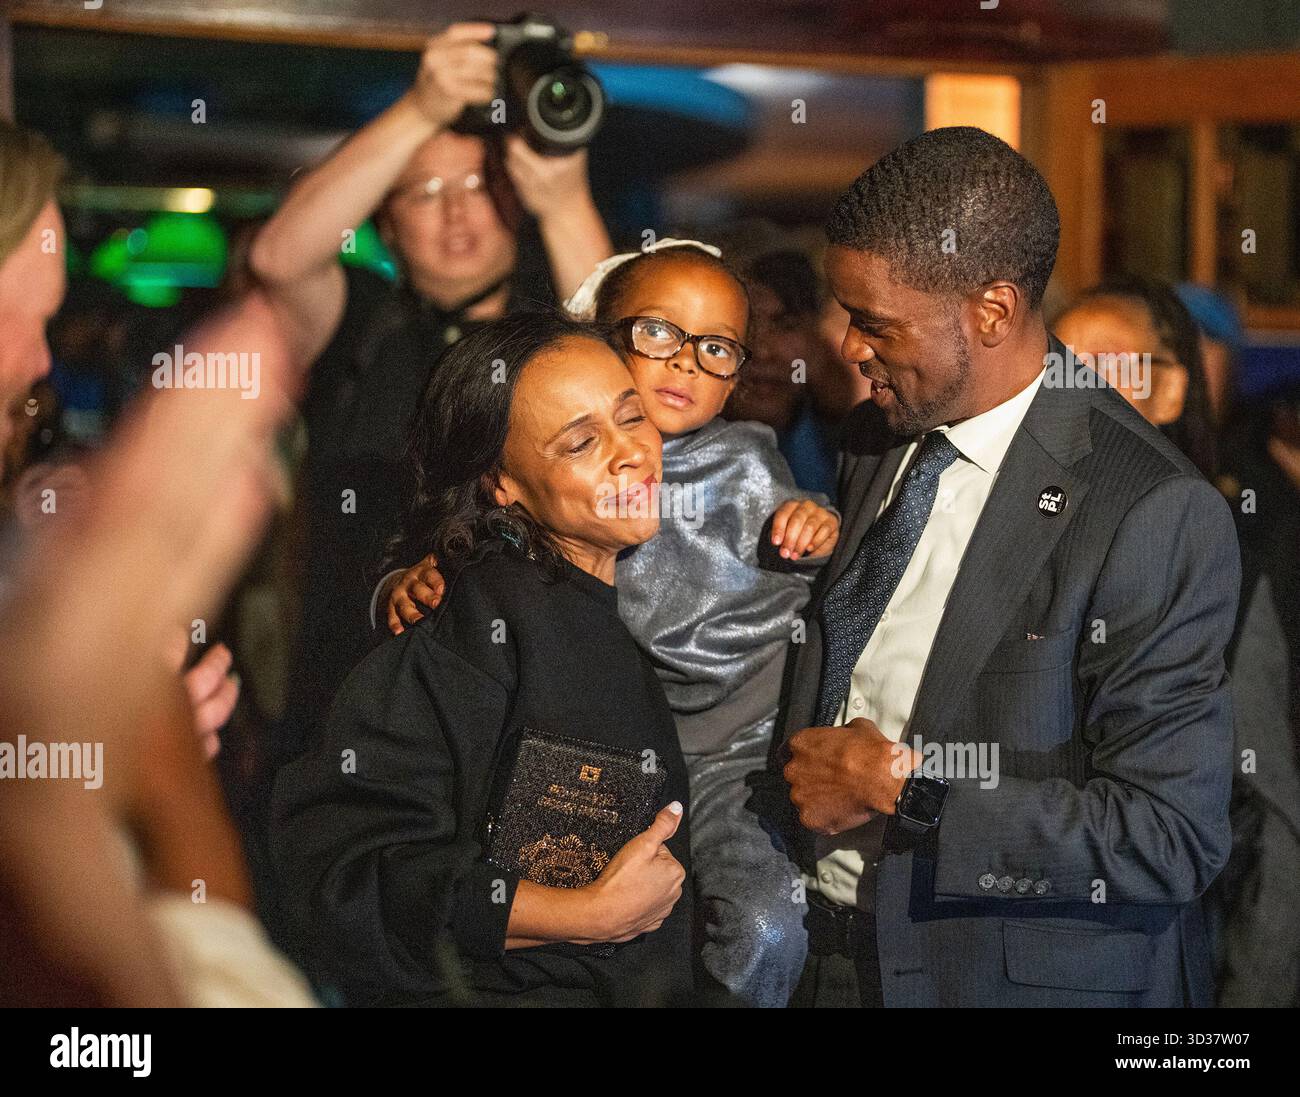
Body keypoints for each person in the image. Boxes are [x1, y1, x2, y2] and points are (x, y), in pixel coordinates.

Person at [779, 126, 1239, 1007]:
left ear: (991, 310)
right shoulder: (880, 432)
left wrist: (907, 793)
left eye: (875, 322)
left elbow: (1169, 835)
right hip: (824, 961)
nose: (848, 348)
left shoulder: (1149, 508)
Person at [383, 240, 839, 1006]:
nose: (686, 364)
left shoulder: (748, 461)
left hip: (740, 754)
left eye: (718, 348)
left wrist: (812, 521)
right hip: (617, 762)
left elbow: (818, 552)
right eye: (657, 334)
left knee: (763, 924)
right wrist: (407, 585)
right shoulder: (516, 551)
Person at [270, 313, 692, 1007]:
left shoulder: (618, 602)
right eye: (581, 441)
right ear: (502, 482)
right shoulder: (470, 623)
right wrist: (588, 915)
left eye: (632, 416)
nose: (631, 453)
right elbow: (346, 871)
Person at [249, 22, 615, 757]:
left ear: (515, 200)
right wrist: (420, 106)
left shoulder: (551, 323)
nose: (457, 213)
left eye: (482, 186)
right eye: (424, 193)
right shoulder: (358, 320)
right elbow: (278, 256)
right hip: (345, 689)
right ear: (385, 221)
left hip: (518, 703)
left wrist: (565, 199)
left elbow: (620, 360)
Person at [1055, 279, 1300, 1006]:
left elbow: (1268, 816)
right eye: (1059, 367)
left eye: (1113, 366)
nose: (1080, 389)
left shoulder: (1220, 549)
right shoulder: (996, 533)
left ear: (1171, 390)